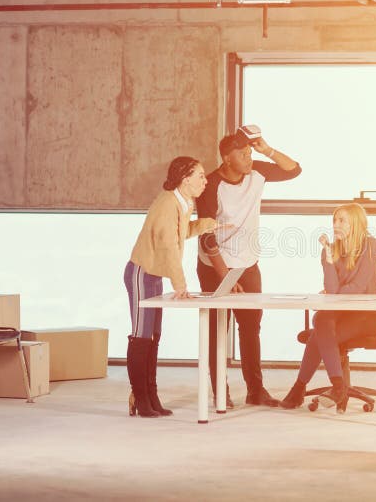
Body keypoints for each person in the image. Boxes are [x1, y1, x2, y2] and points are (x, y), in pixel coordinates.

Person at [196, 127, 301, 408]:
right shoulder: (210, 186)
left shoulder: (257, 172)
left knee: (251, 328)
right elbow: (207, 239)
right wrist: (225, 276)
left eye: (250, 152)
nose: (248, 157)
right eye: (242, 154)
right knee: (218, 330)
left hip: (247, 264)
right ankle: (220, 391)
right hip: (215, 266)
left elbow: (293, 171)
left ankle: (256, 391)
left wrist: (267, 149)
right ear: (226, 159)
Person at [124, 156, 216, 418]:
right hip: (142, 274)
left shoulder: (183, 201)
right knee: (141, 336)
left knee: (154, 337)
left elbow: (181, 233)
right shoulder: (167, 204)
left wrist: (211, 224)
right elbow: (168, 246)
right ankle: (140, 399)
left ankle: (151, 396)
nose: (205, 180)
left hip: (154, 275)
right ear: (185, 179)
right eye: (200, 175)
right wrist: (181, 285)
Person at [280, 203, 376, 413]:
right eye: (334, 220)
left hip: (367, 316)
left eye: (341, 220)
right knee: (321, 321)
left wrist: (334, 295)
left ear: (355, 223)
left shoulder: (371, 245)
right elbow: (332, 288)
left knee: (319, 332)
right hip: (342, 314)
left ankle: (300, 388)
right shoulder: (332, 250)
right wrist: (327, 258)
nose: (335, 224)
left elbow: (358, 287)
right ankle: (338, 387)